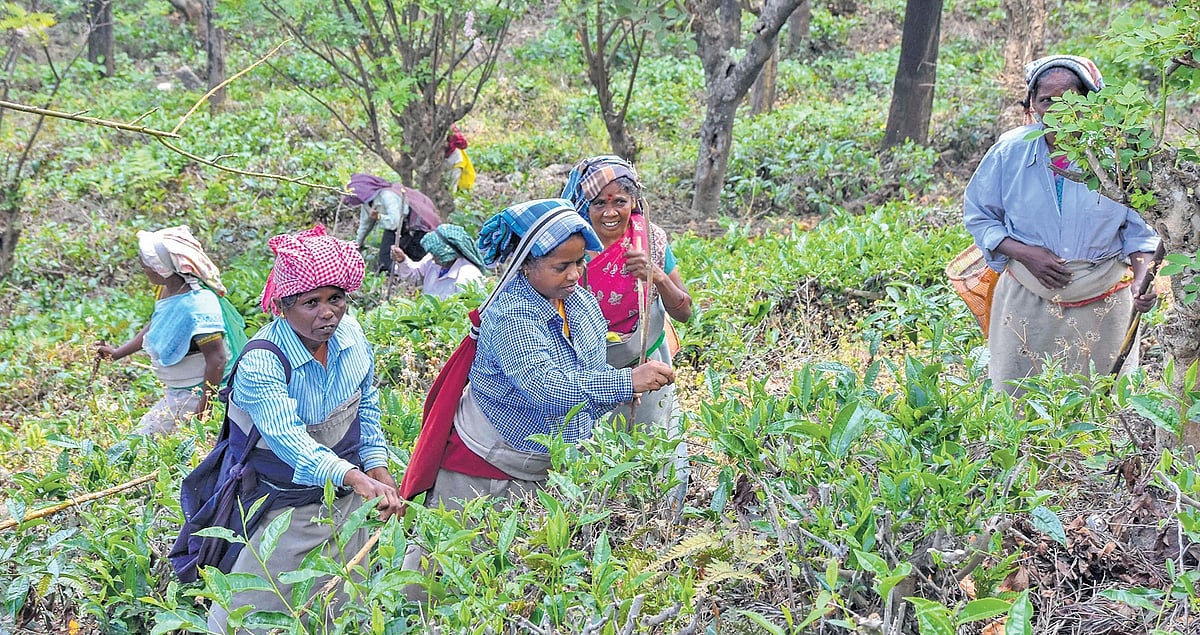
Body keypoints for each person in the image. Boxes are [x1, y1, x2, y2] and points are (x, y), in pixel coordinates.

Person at [398, 199, 674, 599]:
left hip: (544, 462)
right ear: (526, 265)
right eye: (561, 267)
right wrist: (625, 382)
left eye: (579, 262)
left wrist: (619, 392)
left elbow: (588, 372)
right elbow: (545, 386)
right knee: (441, 568)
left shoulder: (580, 303)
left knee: (513, 579)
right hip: (486, 461)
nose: (574, 274)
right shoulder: (511, 314)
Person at [205, 224, 402, 633]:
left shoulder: (351, 337)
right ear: (283, 305)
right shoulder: (262, 362)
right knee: (251, 613)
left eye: (336, 299)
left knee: (340, 604)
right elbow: (291, 442)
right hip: (282, 505)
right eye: (311, 302)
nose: (327, 313)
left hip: (345, 501)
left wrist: (377, 466)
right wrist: (356, 477)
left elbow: (365, 405)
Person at [963, 55, 1160, 395]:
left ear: (1091, 102)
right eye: (1046, 100)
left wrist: (1142, 281)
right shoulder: (1009, 152)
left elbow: (1141, 232)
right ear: (1032, 105)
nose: (1059, 111)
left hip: (1105, 300)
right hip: (1027, 298)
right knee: (1020, 401)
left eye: (1070, 99)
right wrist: (1026, 254)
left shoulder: (1118, 156)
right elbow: (980, 216)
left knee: (1103, 406)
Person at [561, 155, 692, 508]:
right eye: (598, 203)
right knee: (592, 456)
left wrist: (657, 276)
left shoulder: (650, 239)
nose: (610, 212)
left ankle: (658, 516)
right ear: (583, 205)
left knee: (655, 447)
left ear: (633, 201)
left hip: (646, 360)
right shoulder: (571, 246)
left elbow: (684, 311)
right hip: (589, 370)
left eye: (619, 201)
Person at [96, 226, 234, 436]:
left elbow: (218, 360)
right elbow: (158, 323)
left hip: (195, 395)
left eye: (145, 265)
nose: (144, 269)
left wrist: (203, 413)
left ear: (160, 269)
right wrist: (117, 353)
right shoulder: (170, 291)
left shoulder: (199, 307)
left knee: (137, 444)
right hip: (177, 392)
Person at [345, 173, 442, 273]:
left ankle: (402, 276)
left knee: (417, 258)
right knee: (385, 259)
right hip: (396, 226)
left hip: (414, 224)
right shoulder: (366, 204)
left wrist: (379, 217)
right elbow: (365, 226)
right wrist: (356, 245)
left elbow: (394, 222)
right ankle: (393, 274)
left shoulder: (387, 195)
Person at [388, 223, 487, 299]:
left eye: (436, 256)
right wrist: (402, 260)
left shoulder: (468, 275)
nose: (432, 258)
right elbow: (415, 275)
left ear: (448, 255)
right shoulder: (432, 261)